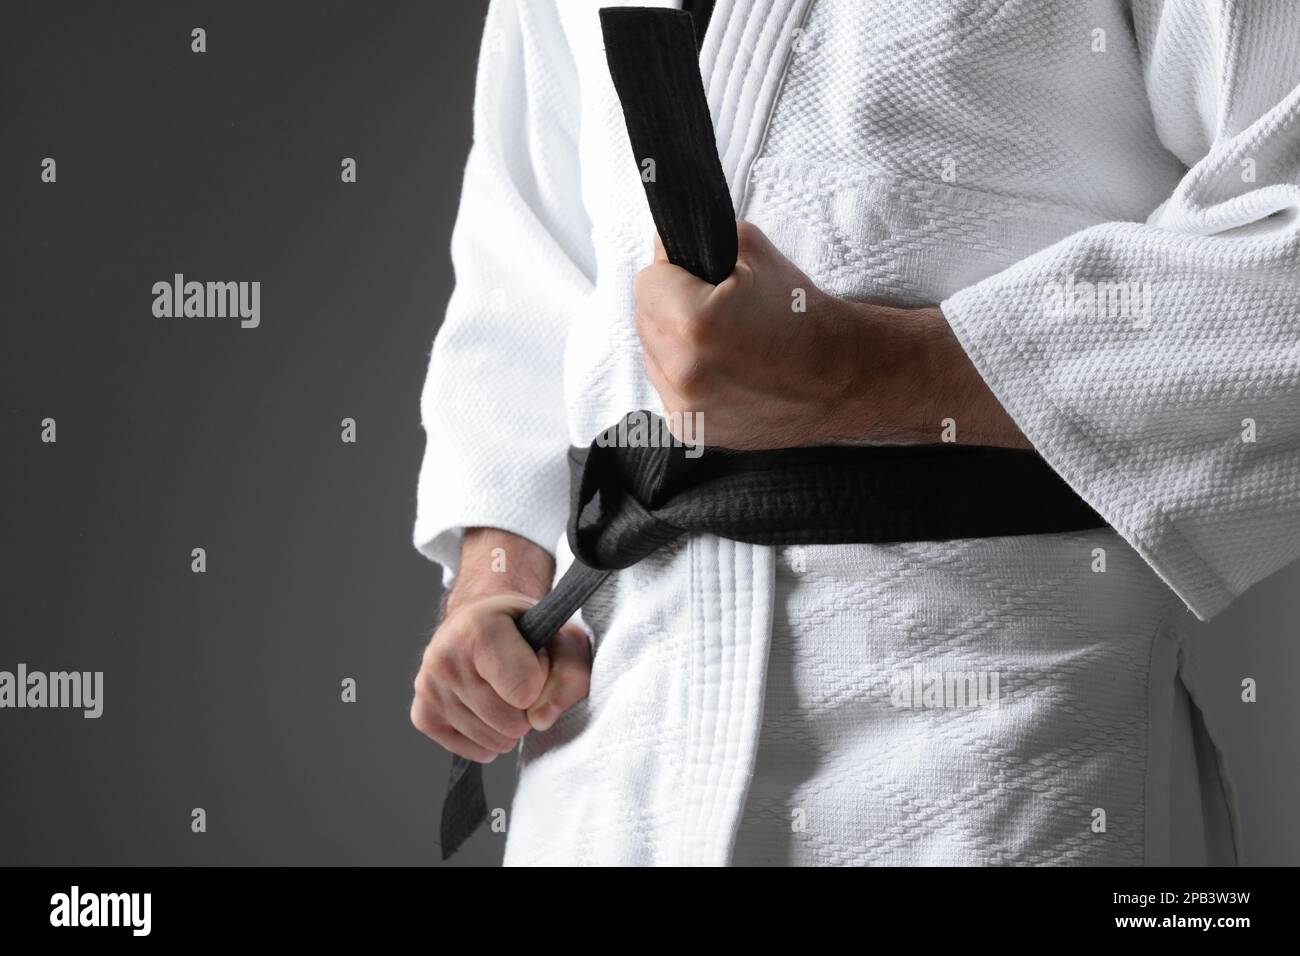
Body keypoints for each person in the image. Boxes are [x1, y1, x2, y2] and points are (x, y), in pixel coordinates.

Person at [409, 0, 1300, 865]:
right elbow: (529, 255)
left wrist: (873, 370)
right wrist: (498, 579)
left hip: (1001, 761)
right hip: (614, 755)